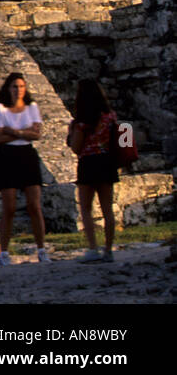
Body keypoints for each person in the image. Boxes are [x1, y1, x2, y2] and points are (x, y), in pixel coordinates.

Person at [0, 72, 49, 264]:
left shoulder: (32, 107)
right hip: (7, 156)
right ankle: (4, 252)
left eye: (21, 86)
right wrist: (24, 133)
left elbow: (37, 134)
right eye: (15, 87)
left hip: (27, 155)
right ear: (8, 89)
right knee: (9, 207)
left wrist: (13, 131)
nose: (18, 90)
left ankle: (41, 249)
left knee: (34, 205)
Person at [67, 78, 119, 263]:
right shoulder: (110, 117)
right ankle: (109, 249)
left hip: (88, 164)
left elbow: (75, 147)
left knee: (86, 209)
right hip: (107, 162)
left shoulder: (81, 122)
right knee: (107, 210)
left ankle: (92, 248)